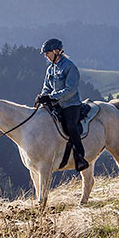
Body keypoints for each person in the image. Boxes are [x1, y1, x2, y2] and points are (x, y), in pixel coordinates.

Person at [34, 38, 89, 172]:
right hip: (56, 104)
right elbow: (47, 87)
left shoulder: (70, 67)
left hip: (71, 104)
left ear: (56, 51)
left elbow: (70, 90)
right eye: (45, 54)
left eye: (48, 53)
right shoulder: (50, 69)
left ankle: (80, 156)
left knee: (70, 126)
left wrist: (51, 97)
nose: (46, 56)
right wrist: (42, 96)